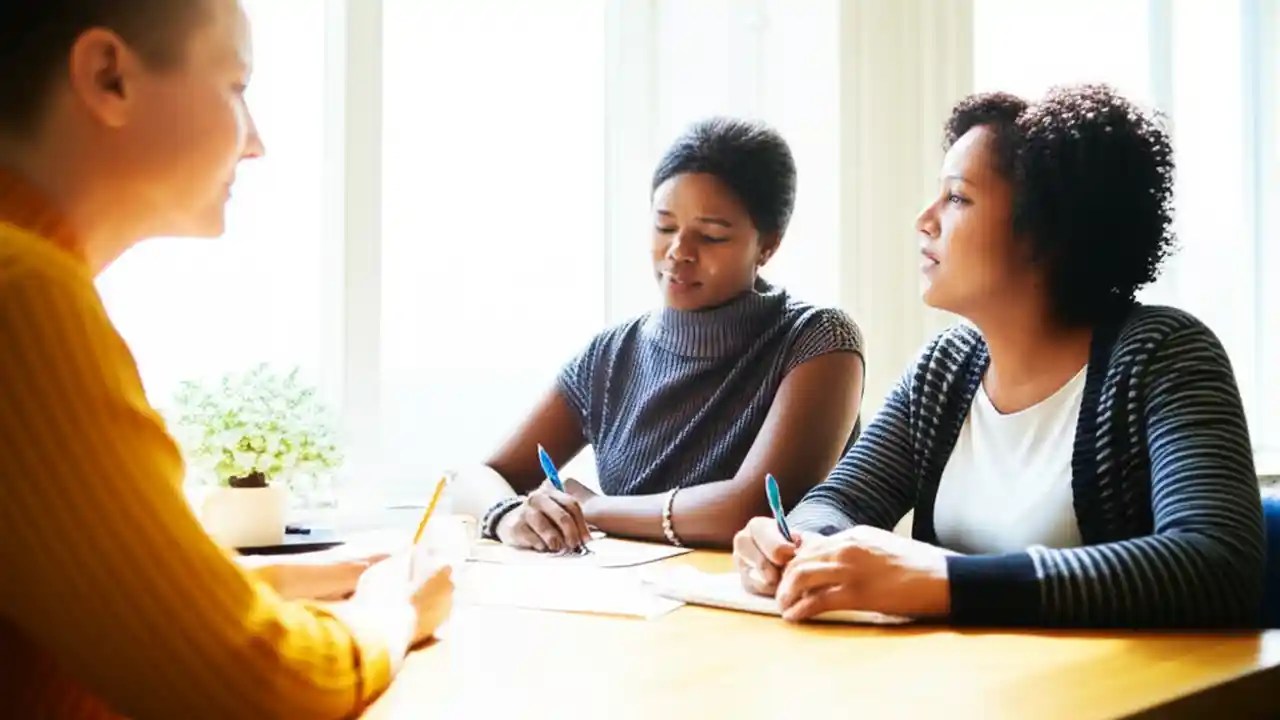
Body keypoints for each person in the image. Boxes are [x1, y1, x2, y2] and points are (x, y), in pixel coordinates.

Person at [0, 1, 452, 717]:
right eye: (237, 87)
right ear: (108, 77)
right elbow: (257, 685)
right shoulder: (23, 295)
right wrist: (391, 611)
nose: (257, 144)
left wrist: (289, 581)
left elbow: (112, 605)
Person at [733, 85, 1265, 628]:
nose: (924, 219)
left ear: (1047, 229)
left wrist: (942, 581)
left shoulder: (1164, 355)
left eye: (957, 198)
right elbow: (840, 500)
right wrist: (796, 543)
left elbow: (1217, 564)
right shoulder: (945, 368)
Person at [455, 118, 865, 550]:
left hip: (756, 607)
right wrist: (506, 514)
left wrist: (594, 508)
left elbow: (750, 511)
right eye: (665, 226)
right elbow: (475, 479)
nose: (678, 252)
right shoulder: (611, 355)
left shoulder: (818, 342)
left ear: (768, 246)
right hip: (632, 603)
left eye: (711, 236)